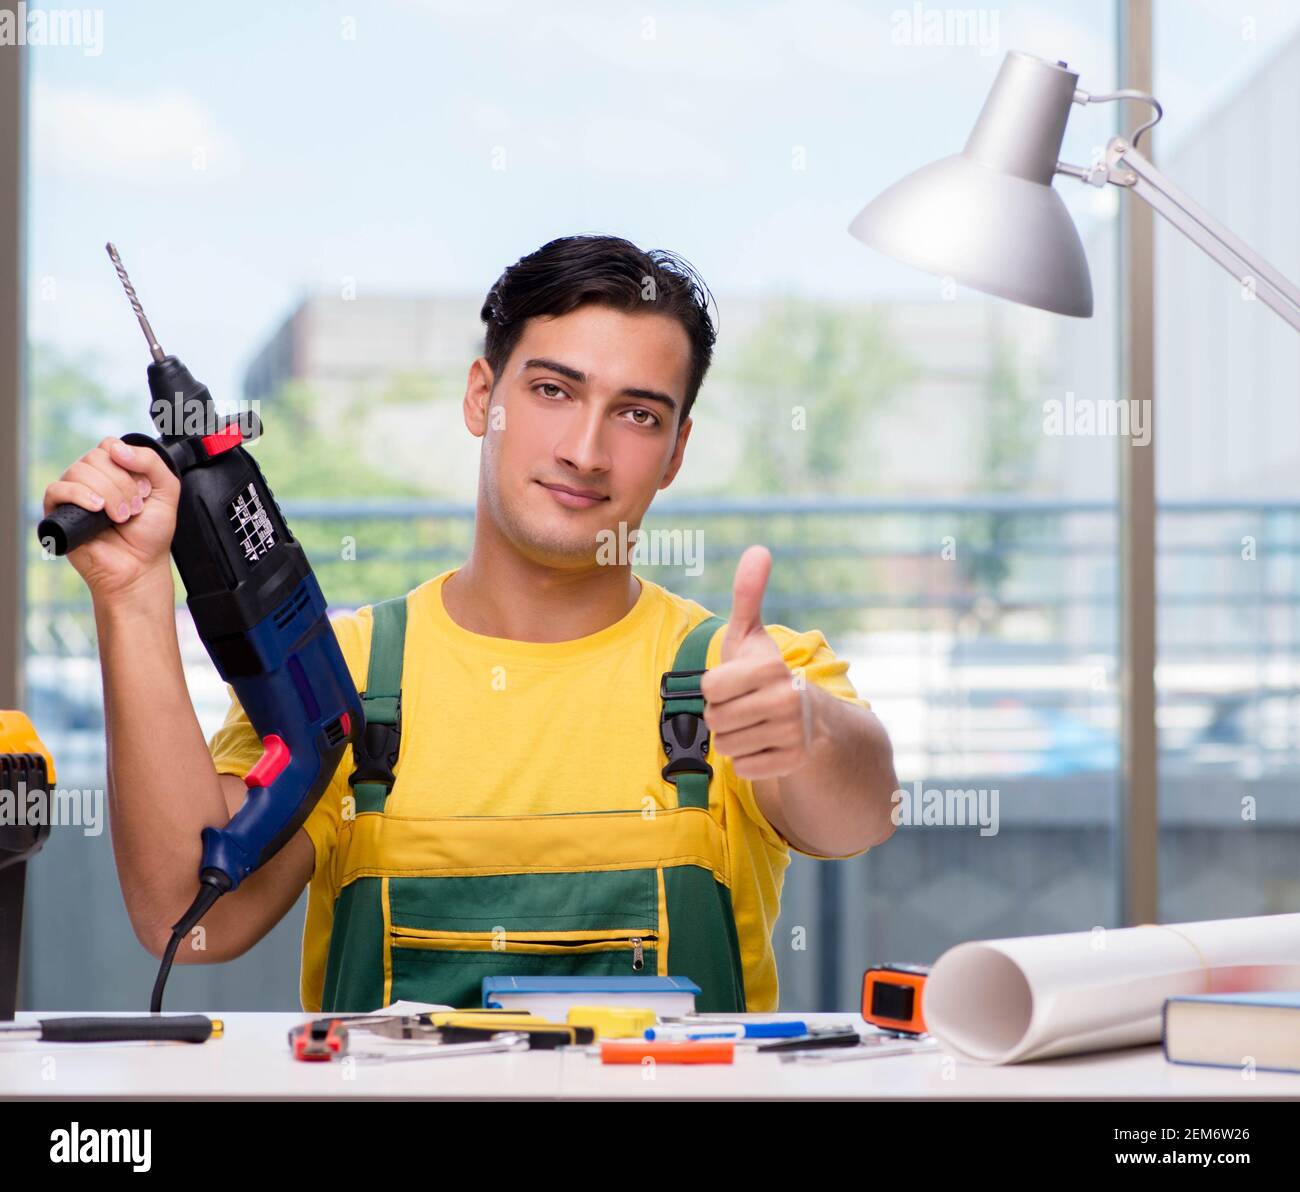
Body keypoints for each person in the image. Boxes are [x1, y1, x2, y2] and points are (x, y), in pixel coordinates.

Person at [44, 234, 898, 1013]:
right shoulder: (344, 678)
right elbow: (185, 922)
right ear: (481, 395)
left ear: (676, 450)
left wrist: (804, 726)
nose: (586, 450)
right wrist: (131, 599)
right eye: (554, 391)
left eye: (638, 414)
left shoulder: (744, 674)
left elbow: (857, 815)